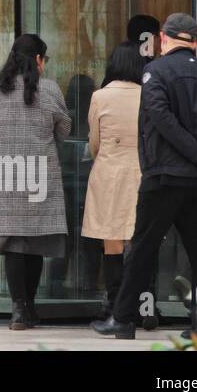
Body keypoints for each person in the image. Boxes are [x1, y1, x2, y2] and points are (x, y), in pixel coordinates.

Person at [92, 12, 197, 340]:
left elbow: (161, 118)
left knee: (143, 247)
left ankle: (124, 319)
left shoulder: (155, 72)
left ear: (164, 39)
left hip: (165, 177)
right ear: (196, 42)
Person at [0, 34, 71, 330]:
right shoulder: (50, 89)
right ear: (39, 60)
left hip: (4, 175)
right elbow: (64, 128)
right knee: (35, 242)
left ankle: (18, 310)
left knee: (13, 243)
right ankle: (29, 305)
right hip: (39, 174)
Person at [81, 42, 143, 318]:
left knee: (112, 242)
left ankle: (116, 304)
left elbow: (94, 142)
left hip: (108, 171)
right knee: (140, 240)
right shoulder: (149, 94)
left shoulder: (100, 96)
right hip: (142, 172)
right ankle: (142, 302)